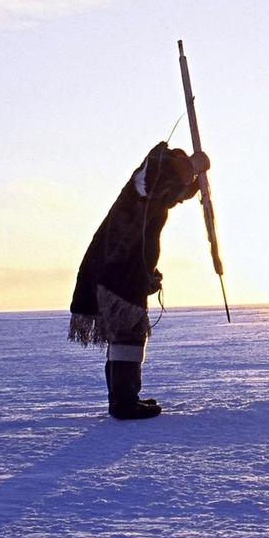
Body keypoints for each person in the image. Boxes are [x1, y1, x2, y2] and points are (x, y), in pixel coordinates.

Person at [68, 141, 210, 419]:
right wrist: (194, 165)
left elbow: (171, 192)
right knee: (127, 335)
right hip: (117, 274)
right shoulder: (149, 180)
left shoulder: (147, 194)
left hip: (119, 272)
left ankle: (125, 397)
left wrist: (194, 183)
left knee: (127, 336)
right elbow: (166, 180)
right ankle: (123, 403)